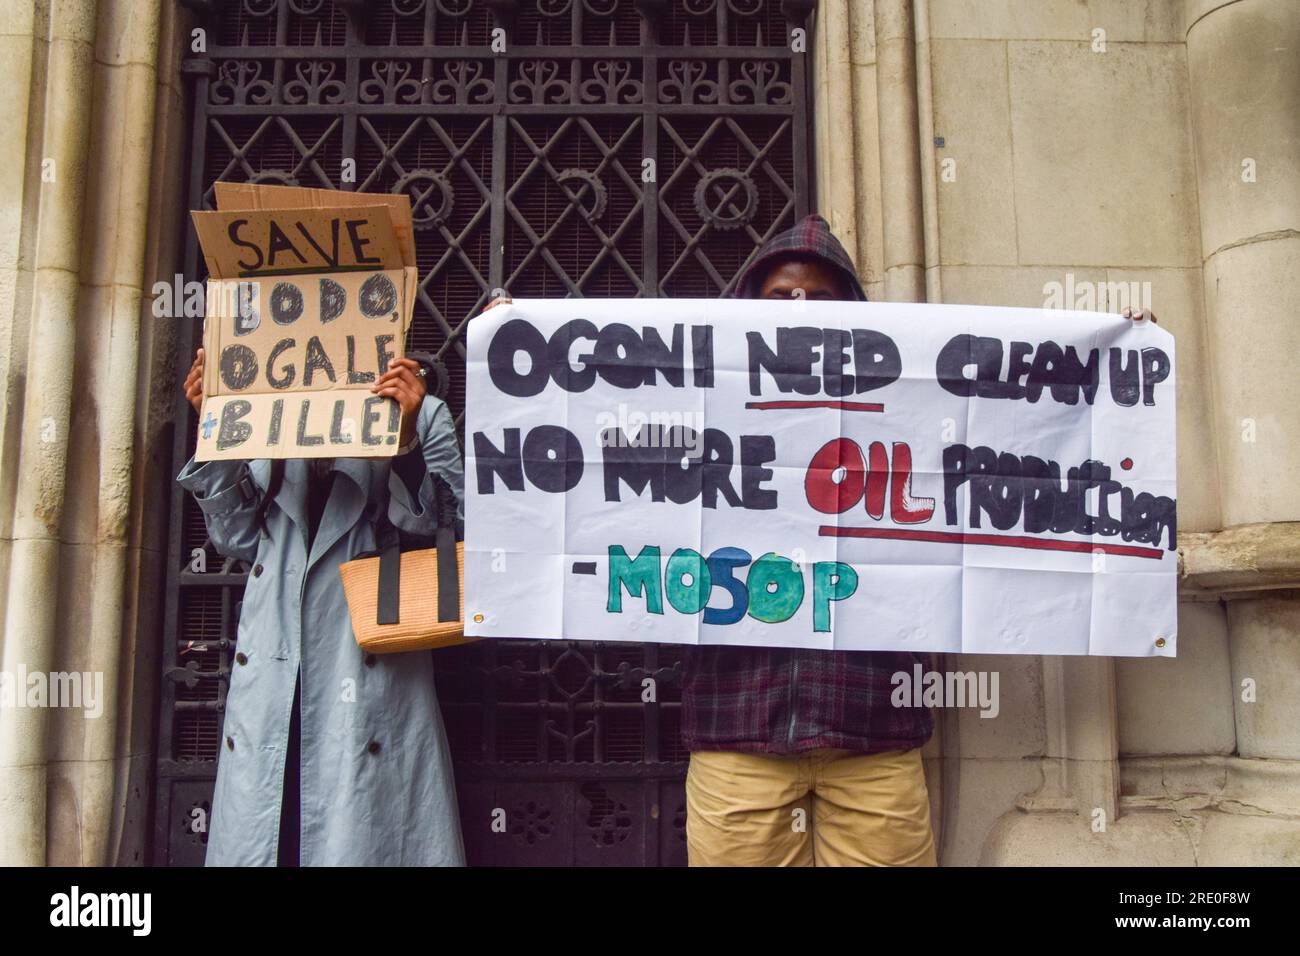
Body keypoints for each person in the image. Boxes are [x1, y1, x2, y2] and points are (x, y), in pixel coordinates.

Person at [480, 214, 1155, 867]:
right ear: (751, 306)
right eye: (782, 296)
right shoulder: (700, 404)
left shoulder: (911, 413)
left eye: (819, 296)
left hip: (874, 735)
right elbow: (594, 454)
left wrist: (1112, 363)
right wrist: (517, 338)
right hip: (737, 732)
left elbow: (1015, 427)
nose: (799, 307)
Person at [178, 347, 466, 866]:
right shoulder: (262, 403)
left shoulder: (421, 410)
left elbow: (450, 529)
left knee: (357, 834)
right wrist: (216, 430)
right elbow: (237, 538)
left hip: (366, 665)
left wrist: (404, 444)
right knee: (272, 830)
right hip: (275, 667)